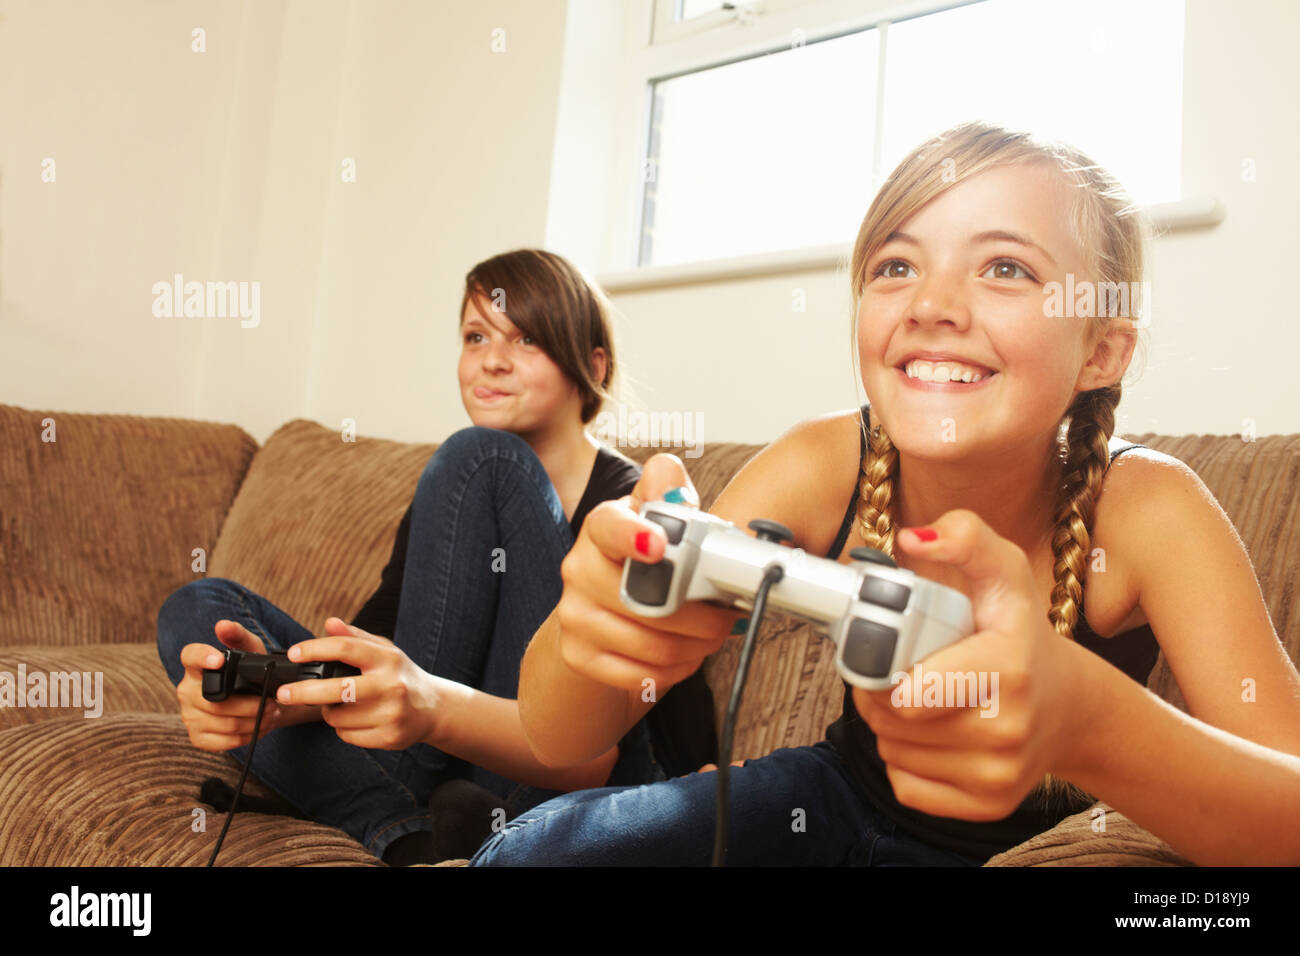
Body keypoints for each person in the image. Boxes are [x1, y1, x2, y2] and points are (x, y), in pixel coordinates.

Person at [469, 121, 1300, 866]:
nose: (932, 305)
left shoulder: (1151, 508)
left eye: (1005, 268)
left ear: (1102, 352)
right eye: (896, 265)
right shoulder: (824, 459)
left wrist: (1095, 727)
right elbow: (559, 734)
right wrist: (596, 637)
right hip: (831, 803)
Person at [156, 248, 717, 865]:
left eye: (525, 339)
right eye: (475, 336)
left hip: (562, 767)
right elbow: (383, 648)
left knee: (484, 458)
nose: (492, 361)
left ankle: (394, 804)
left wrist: (701, 784)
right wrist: (280, 696)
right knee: (196, 607)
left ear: (592, 364)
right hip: (436, 765)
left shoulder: (622, 498)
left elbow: (654, 702)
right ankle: (410, 832)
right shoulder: (460, 494)